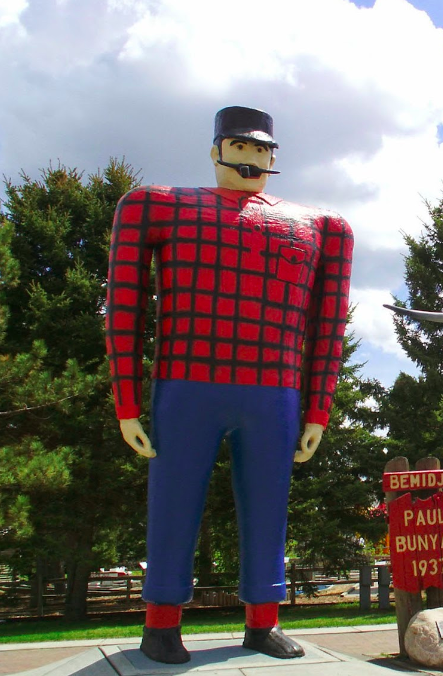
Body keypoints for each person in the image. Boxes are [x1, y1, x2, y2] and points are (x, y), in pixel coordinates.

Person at [105, 106, 354, 664]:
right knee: (173, 501)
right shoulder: (156, 205)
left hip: (275, 390)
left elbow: (329, 324)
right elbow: (123, 305)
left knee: (270, 506)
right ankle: (161, 623)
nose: (254, 160)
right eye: (242, 148)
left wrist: (318, 409)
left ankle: (263, 622)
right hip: (187, 383)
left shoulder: (322, 226)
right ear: (218, 149)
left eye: (264, 150)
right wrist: (127, 402)